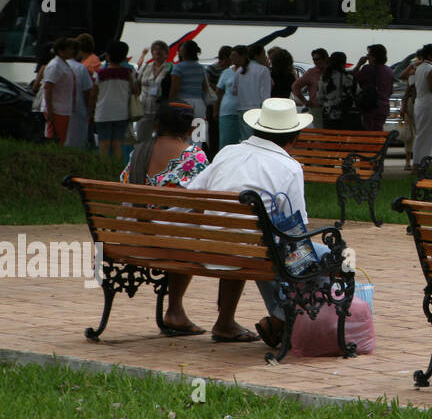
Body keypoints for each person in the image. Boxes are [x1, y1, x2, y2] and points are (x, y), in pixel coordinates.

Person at [182, 97, 318, 350]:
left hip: (210, 249)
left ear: (256, 128)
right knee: (329, 256)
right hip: (250, 253)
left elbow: (191, 195)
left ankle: (226, 323)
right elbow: (296, 231)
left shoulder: (228, 152)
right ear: (293, 139)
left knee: (254, 242)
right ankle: (280, 319)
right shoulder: (290, 167)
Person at [119, 101, 256, 340]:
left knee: (182, 229)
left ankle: (176, 310)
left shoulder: (138, 152)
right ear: (192, 129)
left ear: (157, 124)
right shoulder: (193, 156)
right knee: (211, 236)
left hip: (130, 237)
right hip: (171, 241)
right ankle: (182, 311)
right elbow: (204, 201)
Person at [93, 41, 135, 163]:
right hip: (122, 113)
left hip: (103, 113)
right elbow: (135, 91)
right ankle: (117, 171)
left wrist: (90, 112)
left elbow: (93, 94)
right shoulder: (128, 73)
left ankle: (103, 171)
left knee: (103, 145)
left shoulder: (100, 73)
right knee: (118, 145)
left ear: (108, 56)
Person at [409, 44, 432, 163]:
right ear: (431, 55)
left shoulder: (420, 67)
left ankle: (421, 161)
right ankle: (419, 162)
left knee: (422, 134)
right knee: (425, 135)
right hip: (430, 104)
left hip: (420, 103)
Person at [135, 40, 173, 143]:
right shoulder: (146, 67)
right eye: (155, 49)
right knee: (141, 139)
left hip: (160, 108)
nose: (158, 51)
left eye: (161, 49)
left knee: (160, 140)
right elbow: (137, 84)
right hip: (144, 106)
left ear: (166, 54)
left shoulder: (169, 68)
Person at [41, 38, 77, 144]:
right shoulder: (55, 66)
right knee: (56, 140)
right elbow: (48, 87)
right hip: (57, 110)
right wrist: (50, 110)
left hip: (63, 109)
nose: (73, 51)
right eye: (70, 49)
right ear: (61, 52)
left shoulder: (63, 64)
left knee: (62, 138)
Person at [354, 44, 395, 132]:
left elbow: (353, 78)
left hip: (370, 105)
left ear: (373, 57)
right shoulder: (389, 71)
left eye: (369, 54)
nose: (367, 56)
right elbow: (390, 91)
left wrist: (359, 64)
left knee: (368, 131)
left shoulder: (367, 69)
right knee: (378, 130)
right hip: (384, 106)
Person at [234, 44, 272, 140]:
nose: (265, 57)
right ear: (257, 55)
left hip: (241, 108)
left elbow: (234, 90)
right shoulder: (263, 70)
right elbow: (265, 95)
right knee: (257, 139)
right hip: (257, 109)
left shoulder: (240, 70)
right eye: (263, 54)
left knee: (244, 138)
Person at [320, 51, 362, 130]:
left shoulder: (325, 77)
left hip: (328, 114)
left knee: (330, 139)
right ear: (344, 63)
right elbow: (357, 92)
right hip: (347, 114)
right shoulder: (349, 77)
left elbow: (320, 97)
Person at [292, 48, 329, 128]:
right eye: (314, 59)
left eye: (317, 59)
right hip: (317, 108)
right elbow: (295, 86)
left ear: (325, 59)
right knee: (319, 133)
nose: (315, 62)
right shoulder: (311, 73)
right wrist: (305, 101)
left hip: (332, 109)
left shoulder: (332, 71)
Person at [67, 41, 94, 149]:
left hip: (59, 110)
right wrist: (89, 109)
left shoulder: (54, 65)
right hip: (78, 109)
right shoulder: (80, 68)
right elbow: (87, 91)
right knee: (77, 142)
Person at [216, 49, 242, 151]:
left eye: (235, 55)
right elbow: (218, 91)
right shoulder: (226, 72)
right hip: (227, 112)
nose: (232, 58)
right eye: (231, 56)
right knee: (225, 143)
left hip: (244, 112)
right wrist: (215, 110)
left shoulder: (248, 72)